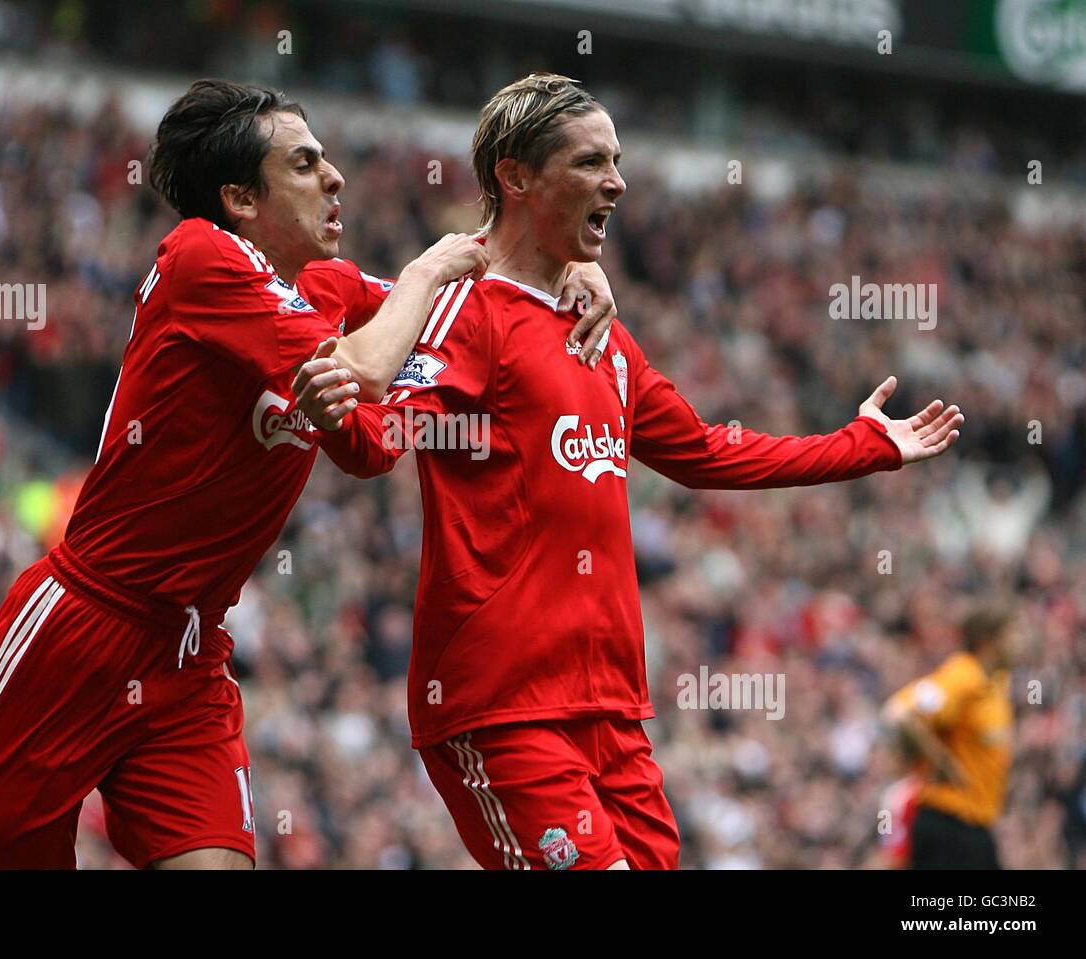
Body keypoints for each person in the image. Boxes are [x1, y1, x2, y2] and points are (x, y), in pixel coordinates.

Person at [0, 77, 616, 870]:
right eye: (304, 163)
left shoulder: (322, 287)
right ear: (240, 198)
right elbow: (365, 364)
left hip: (189, 655)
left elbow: (469, 311)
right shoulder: (201, 256)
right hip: (82, 630)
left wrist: (562, 274)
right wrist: (429, 271)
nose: (335, 178)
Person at [296, 73, 964, 870]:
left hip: (612, 711)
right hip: (505, 705)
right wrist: (328, 398)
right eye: (590, 163)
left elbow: (710, 451)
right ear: (515, 176)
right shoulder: (467, 313)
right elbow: (376, 440)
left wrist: (869, 444)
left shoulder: (600, 335)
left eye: (617, 160)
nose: (618, 181)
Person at [882, 607, 1016, 869]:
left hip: (974, 827)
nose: (1024, 640)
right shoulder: (963, 675)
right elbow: (901, 712)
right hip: (949, 823)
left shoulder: (997, 682)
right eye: (1015, 632)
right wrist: (941, 762)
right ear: (989, 639)